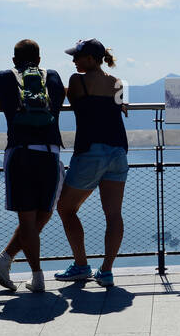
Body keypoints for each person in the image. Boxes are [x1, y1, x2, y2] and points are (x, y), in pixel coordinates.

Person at [0, 40, 66, 293]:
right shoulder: (53, 77)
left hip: (19, 153)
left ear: (14, 59)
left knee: (27, 219)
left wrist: (9, 103)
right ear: (39, 59)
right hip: (50, 153)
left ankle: (34, 274)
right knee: (46, 211)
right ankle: (6, 259)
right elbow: (60, 100)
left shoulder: (4, 77)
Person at [52, 39, 129, 287]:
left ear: (92, 59)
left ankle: (81, 265)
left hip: (91, 152)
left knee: (65, 208)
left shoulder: (77, 81)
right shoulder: (118, 83)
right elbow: (118, 107)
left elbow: (70, 101)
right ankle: (106, 271)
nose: (74, 61)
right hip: (118, 151)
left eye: (78, 57)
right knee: (114, 214)